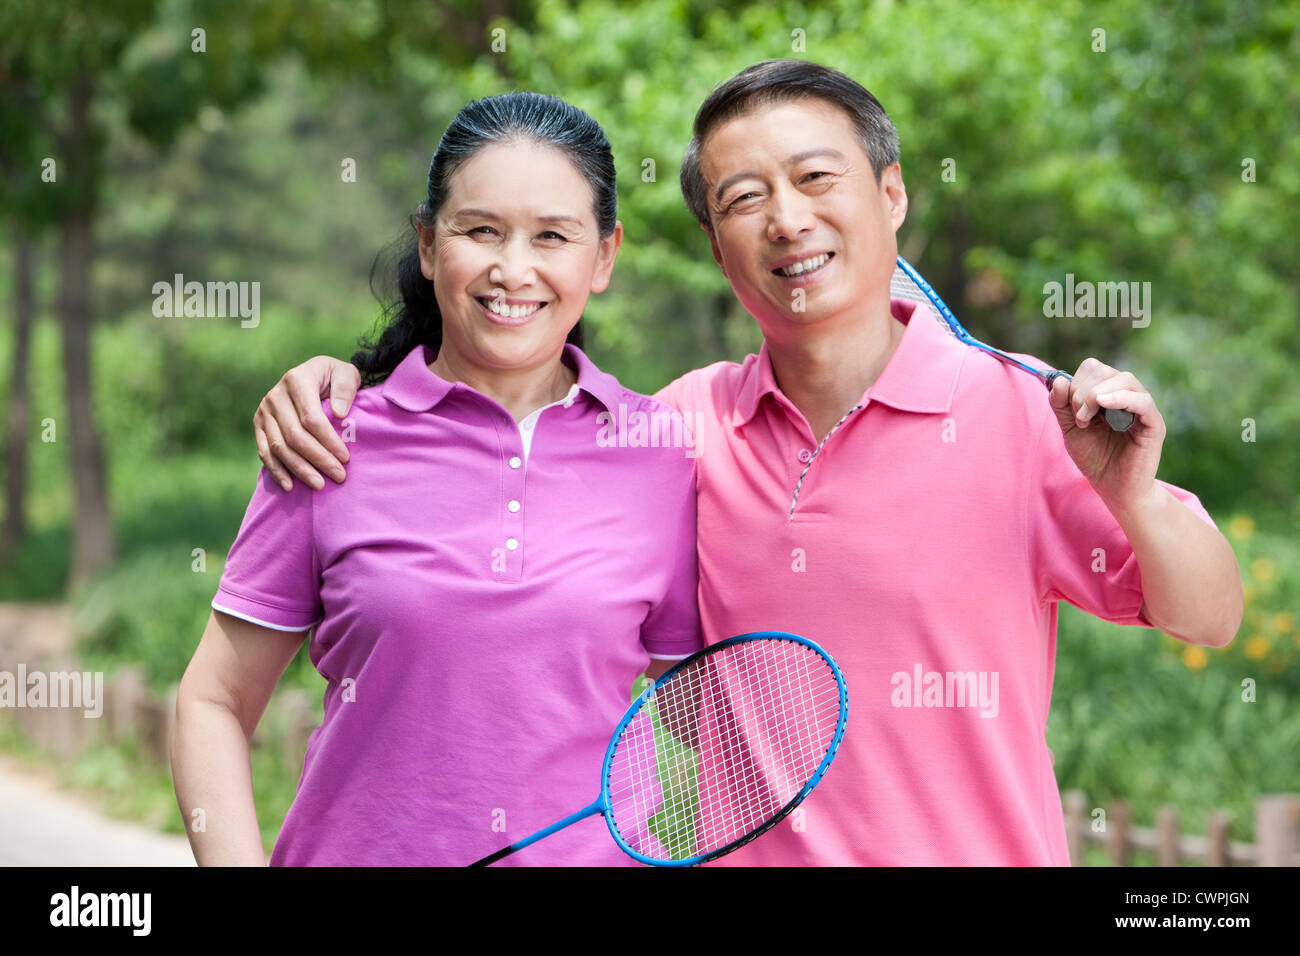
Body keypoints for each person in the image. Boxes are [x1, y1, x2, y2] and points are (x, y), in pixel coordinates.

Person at [252, 60, 1244, 865]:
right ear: (717, 244)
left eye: (817, 179)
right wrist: (344, 381)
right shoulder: (680, 428)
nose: (786, 218)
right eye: (743, 197)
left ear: (891, 194)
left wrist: (1134, 494)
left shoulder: (1026, 409)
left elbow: (1209, 613)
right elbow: (521, 500)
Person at [171, 91, 702, 867]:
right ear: (428, 244)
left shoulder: (662, 451)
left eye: (552, 236)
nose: (512, 268)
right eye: (480, 230)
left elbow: (704, 711)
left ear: (605, 257)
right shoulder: (327, 437)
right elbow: (211, 702)